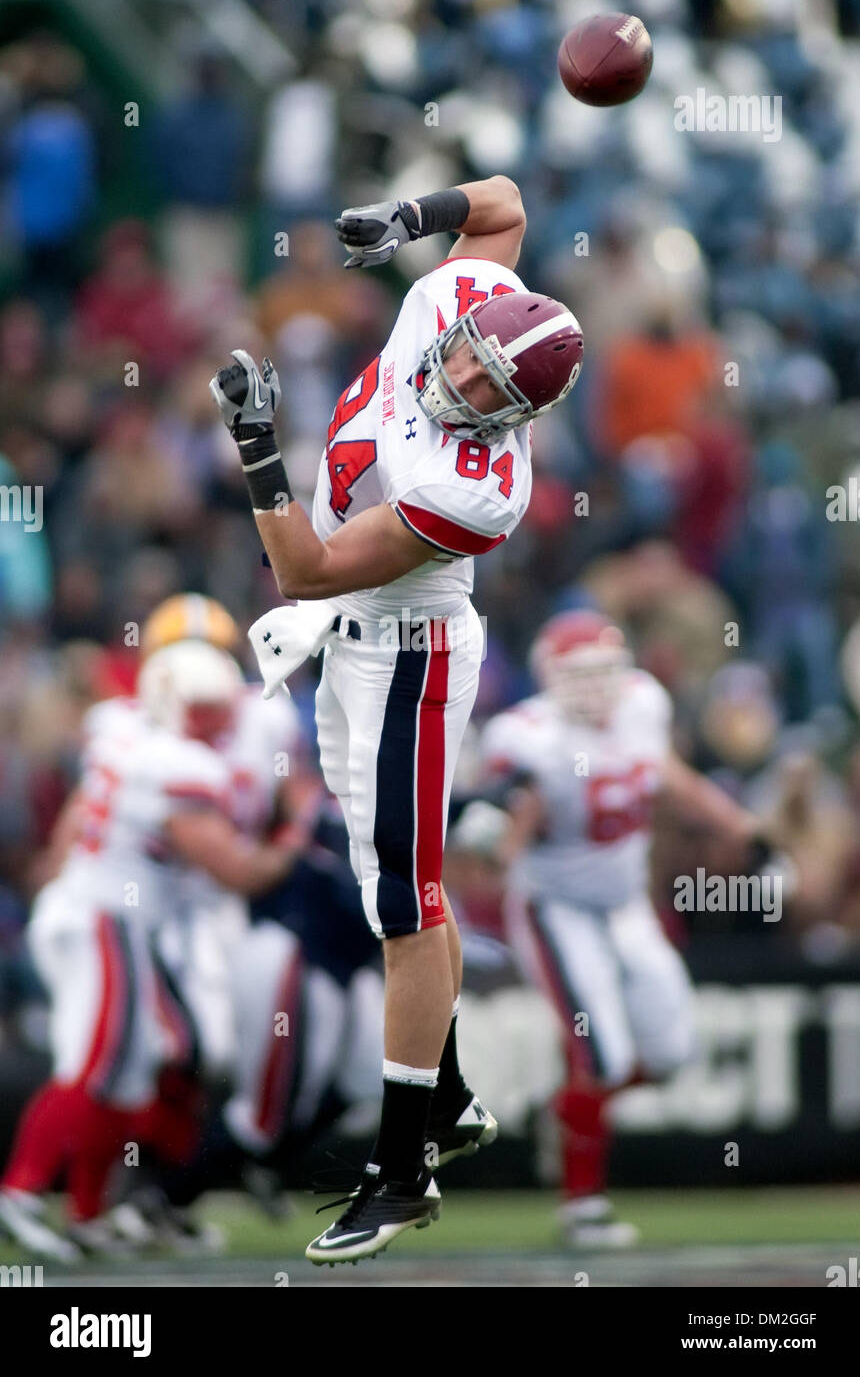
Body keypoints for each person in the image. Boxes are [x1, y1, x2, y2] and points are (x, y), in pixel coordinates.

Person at [209, 175, 584, 1264]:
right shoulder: (451, 297)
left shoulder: (480, 486)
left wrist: (253, 439)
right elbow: (503, 204)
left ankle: (402, 1166)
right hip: (350, 646)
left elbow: (306, 566)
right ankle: (451, 1089)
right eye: (470, 349)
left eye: (488, 381)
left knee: (404, 900)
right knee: (396, 891)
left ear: (521, 416)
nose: (462, 375)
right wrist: (408, 218)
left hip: (405, 658)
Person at [0, 640, 301, 1261]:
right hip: (104, 917)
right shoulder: (176, 764)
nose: (219, 722)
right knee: (96, 1063)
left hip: (109, 913)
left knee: (132, 1071)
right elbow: (236, 873)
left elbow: (85, 806)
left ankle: (86, 1213)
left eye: (221, 708)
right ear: (172, 704)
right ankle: (21, 1194)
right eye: (203, 709)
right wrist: (296, 833)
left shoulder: (122, 731)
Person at [480, 610, 770, 1247]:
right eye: (579, 675)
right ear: (548, 678)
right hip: (555, 907)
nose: (597, 687)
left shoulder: (644, 705)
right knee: (602, 1053)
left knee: (671, 1052)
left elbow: (668, 776)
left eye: (606, 671)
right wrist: (495, 837)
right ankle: (583, 1206)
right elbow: (509, 831)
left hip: (625, 903)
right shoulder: (530, 737)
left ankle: (568, 1113)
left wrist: (740, 827)